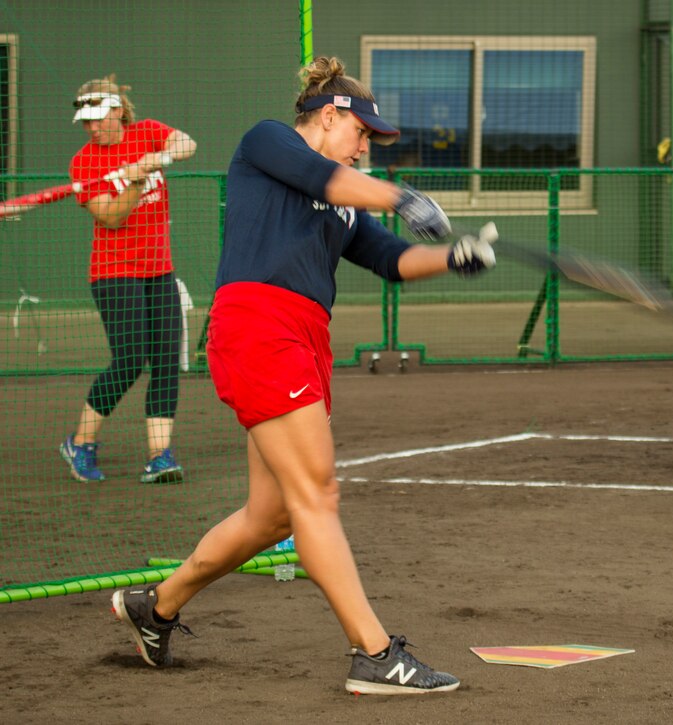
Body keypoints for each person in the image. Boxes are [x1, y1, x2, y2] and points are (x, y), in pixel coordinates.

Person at [109, 56, 496, 695]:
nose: (364, 148)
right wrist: (402, 197)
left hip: (302, 335)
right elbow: (325, 177)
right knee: (318, 495)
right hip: (259, 325)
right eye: (362, 133)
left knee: (273, 517)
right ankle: (374, 654)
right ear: (329, 115)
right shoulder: (268, 142)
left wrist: (453, 256)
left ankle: (157, 607)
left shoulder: (343, 201)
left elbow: (393, 260)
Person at [60, 76, 197, 483]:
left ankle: (159, 456)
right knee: (130, 361)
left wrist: (157, 158)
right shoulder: (84, 162)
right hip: (114, 273)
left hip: (159, 269)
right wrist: (135, 181)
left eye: (99, 119)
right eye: (86, 121)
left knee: (166, 362)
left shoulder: (147, 132)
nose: (92, 128)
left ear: (118, 111)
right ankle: (80, 443)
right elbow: (111, 216)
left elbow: (188, 144)